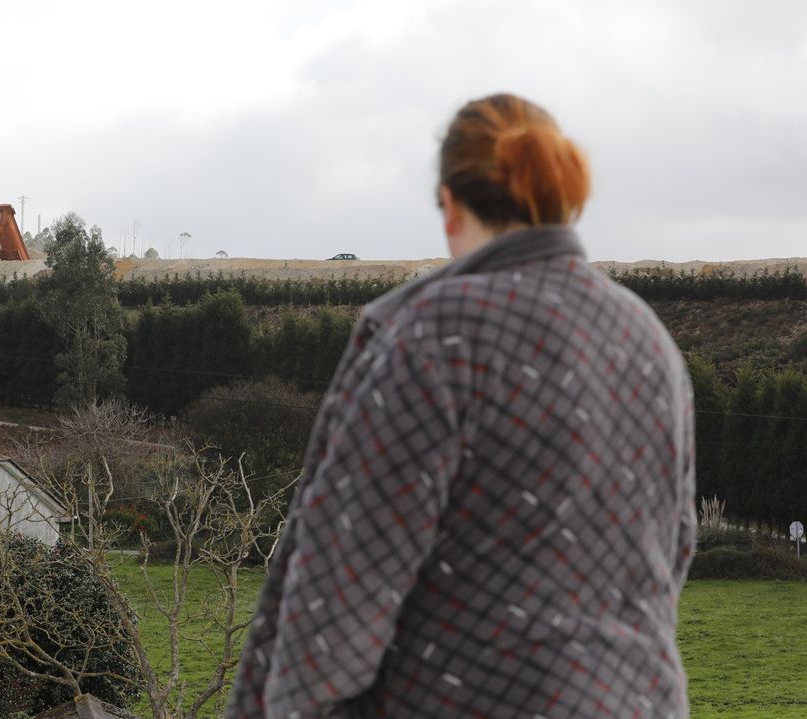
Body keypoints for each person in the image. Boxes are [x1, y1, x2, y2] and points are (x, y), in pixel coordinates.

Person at [227, 93, 696, 718]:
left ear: (450, 204)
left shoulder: (439, 333)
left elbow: (343, 595)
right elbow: (674, 549)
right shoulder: (648, 337)